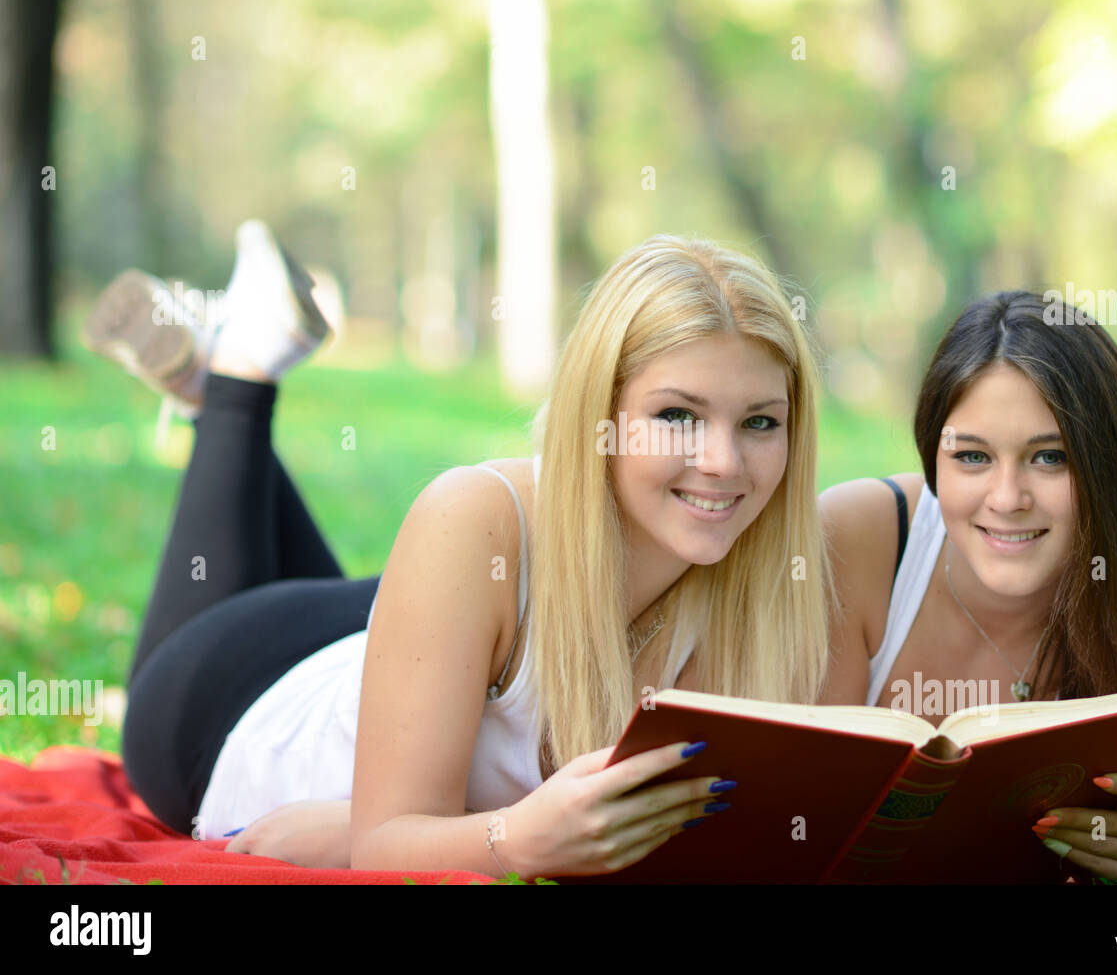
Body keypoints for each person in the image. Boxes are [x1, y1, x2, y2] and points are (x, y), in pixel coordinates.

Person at [104, 226, 832, 879]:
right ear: (598, 412)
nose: (724, 461)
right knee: (462, 561)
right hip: (227, 697)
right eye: (677, 414)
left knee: (459, 595)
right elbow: (393, 846)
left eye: (760, 421)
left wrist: (370, 828)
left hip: (402, 636)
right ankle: (236, 378)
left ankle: (209, 383)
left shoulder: (765, 570)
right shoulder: (478, 516)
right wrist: (481, 837)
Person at [817, 290, 1117, 880]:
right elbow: (804, 810)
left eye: (1051, 457)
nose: (1007, 499)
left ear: (1109, 467)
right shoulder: (858, 534)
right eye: (973, 457)